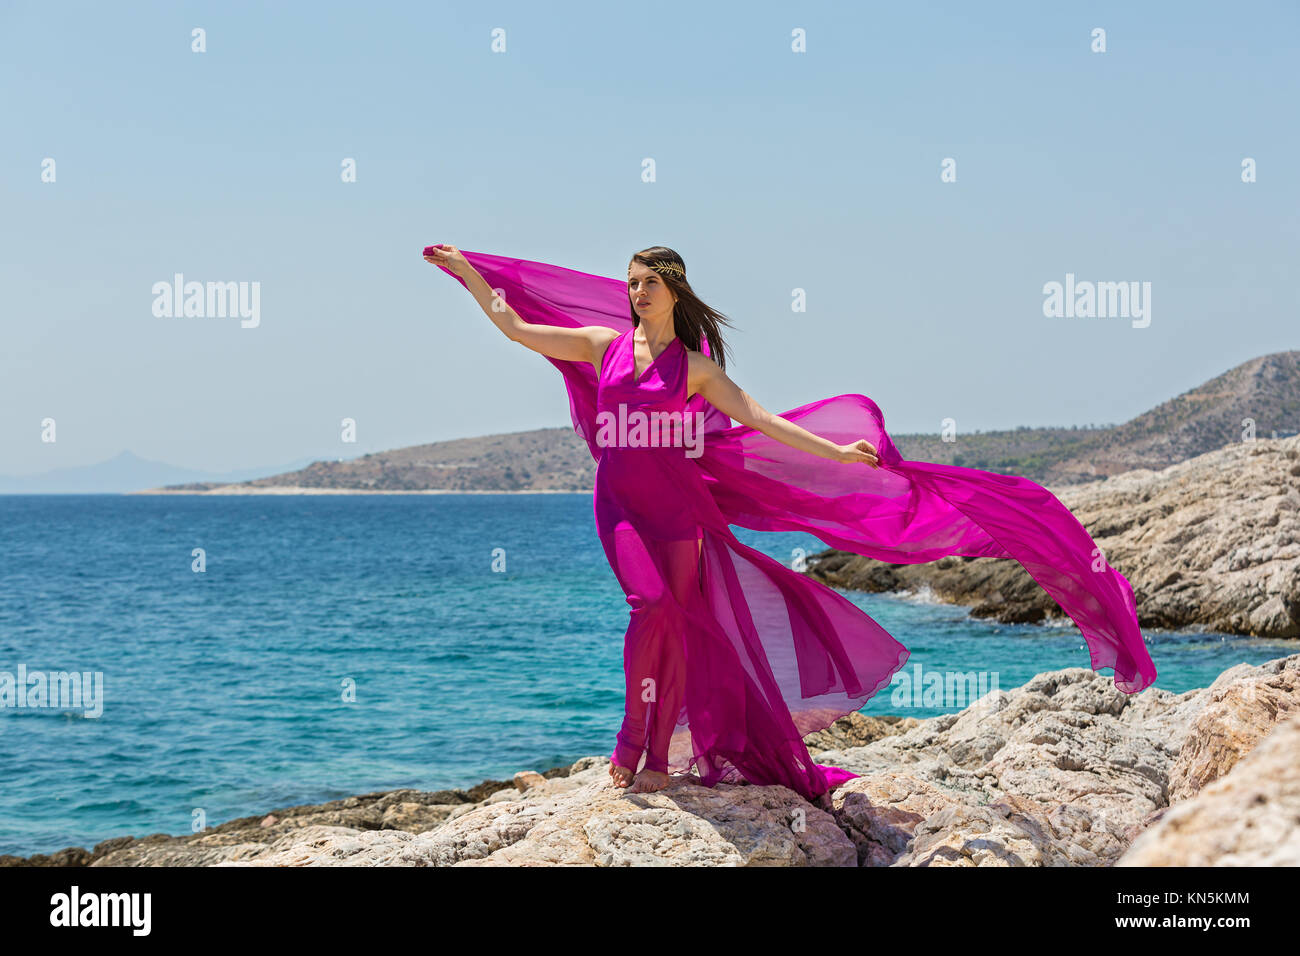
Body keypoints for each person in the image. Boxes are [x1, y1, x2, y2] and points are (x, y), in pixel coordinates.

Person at [423, 243, 1158, 800]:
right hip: (620, 502)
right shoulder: (601, 345)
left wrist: (839, 450)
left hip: (680, 507)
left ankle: (654, 762)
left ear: (672, 291)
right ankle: (631, 745)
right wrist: (469, 275)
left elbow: (765, 419)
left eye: (645, 282)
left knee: (679, 617)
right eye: (630, 282)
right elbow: (516, 326)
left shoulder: (696, 369)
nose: (633, 290)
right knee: (649, 608)